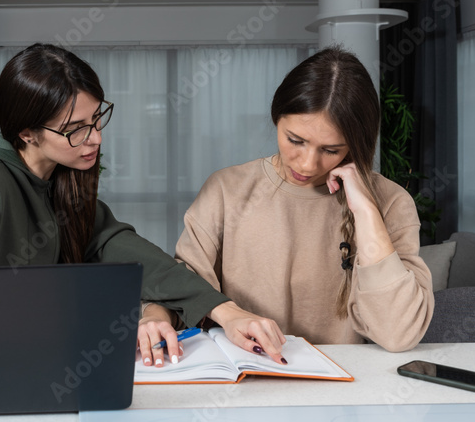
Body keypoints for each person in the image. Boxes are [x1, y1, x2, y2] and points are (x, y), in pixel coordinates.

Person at [0, 43, 287, 365]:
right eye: (75, 129)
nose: (95, 137)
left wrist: (226, 311)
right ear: (26, 133)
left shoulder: (60, 181)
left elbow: (129, 252)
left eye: (97, 118)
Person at [161, 46, 434, 352]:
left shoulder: (391, 203)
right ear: (276, 118)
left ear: (356, 144)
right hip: (245, 376)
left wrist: (367, 214)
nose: (306, 164)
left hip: (344, 387)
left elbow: (399, 334)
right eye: (295, 140)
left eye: (331, 150)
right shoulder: (226, 190)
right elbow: (181, 290)